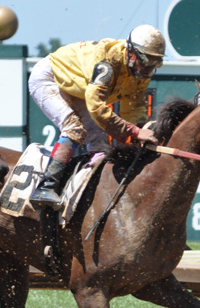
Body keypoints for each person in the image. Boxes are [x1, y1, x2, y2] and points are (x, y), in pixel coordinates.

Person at [28, 24, 166, 208]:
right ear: (130, 52)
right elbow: (96, 106)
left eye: (154, 63)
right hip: (49, 78)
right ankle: (46, 186)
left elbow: (133, 110)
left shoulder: (139, 71)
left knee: (99, 145)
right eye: (145, 60)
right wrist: (134, 132)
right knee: (74, 129)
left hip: (79, 88)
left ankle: (91, 188)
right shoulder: (107, 62)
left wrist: (141, 130)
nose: (148, 68)